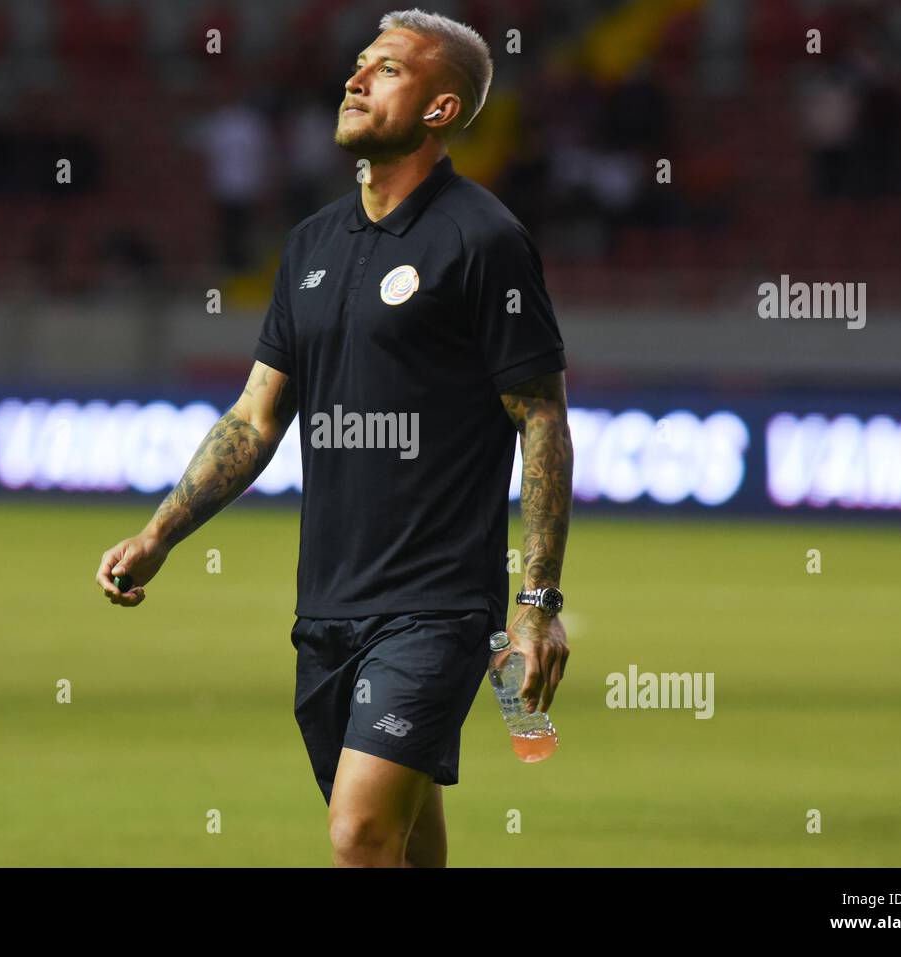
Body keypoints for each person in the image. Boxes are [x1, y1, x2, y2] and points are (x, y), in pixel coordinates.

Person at [95, 8, 574, 867]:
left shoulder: (485, 240)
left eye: (386, 69)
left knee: (357, 834)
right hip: (327, 605)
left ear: (440, 109)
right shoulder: (311, 245)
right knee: (400, 840)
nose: (355, 79)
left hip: (435, 606)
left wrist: (538, 605)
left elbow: (539, 416)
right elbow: (254, 417)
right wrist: (160, 532)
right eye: (360, 63)